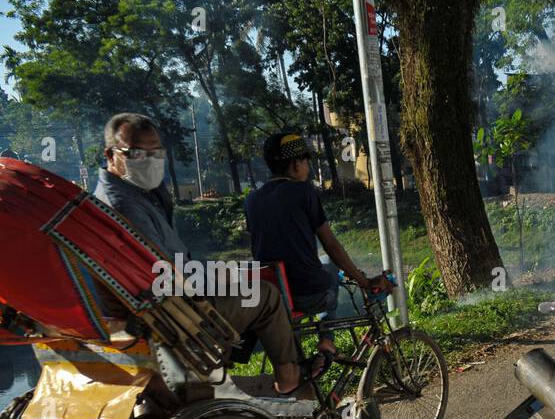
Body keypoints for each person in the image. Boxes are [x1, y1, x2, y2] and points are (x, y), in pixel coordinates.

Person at [92, 113, 308, 394]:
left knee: (244, 281)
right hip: (175, 312)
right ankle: (289, 377)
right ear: (111, 155)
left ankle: (227, 364)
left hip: (163, 302)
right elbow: (169, 273)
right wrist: (225, 278)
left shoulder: (124, 193)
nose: (150, 159)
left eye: (156, 152)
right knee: (266, 295)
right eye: (136, 152)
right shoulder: (125, 204)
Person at [245, 132, 391, 359]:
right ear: (295, 164)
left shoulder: (252, 199)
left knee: (321, 268)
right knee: (328, 266)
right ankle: (327, 340)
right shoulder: (303, 191)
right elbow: (332, 246)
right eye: (306, 161)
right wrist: (363, 281)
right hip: (307, 295)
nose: (307, 167)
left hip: (272, 296)